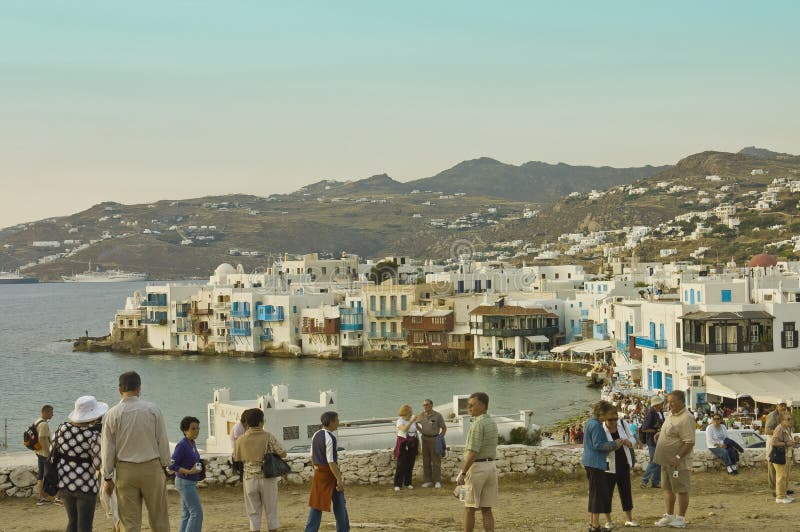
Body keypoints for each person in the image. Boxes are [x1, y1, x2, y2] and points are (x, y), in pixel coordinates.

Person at [101, 371, 171, 532]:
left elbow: (107, 449)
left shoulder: (112, 414)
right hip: (152, 468)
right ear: (139, 388)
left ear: (120, 389)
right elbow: (162, 440)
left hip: (126, 471)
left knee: (129, 522)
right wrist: (166, 465)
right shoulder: (153, 410)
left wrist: (107, 476)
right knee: (159, 518)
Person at [52, 396, 108, 532]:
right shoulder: (93, 435)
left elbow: (53, 451)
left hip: (64, 483)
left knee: (72, 522)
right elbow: (98, 464)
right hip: (86, 486)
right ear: (93, 417)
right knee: (85, 525)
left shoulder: (61, 429)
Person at [234, 408, 287, 532]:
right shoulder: (268, 436)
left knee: (253, 513)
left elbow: (237, 457)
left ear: (246, 423)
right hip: (267, 477)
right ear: (261, 422)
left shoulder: (240, 440)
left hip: (249, 479)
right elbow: (283, 453)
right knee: (271, 511)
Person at [456, 392, 498, 532]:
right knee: (487, 509)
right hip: (491, 467)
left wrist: (463, 472)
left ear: (482, 405)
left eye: (471, 405)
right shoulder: (492, 422)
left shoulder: (477, 425)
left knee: (469, 508)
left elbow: (473, 451)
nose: (469, 408)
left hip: (478, 468)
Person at [653, 390, 695, 529]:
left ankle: (681, 518)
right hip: (666, 461)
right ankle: (669, 515)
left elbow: (689, 442)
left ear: (681, 401)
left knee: (681, 489)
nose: (669, 404)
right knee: (667, 488)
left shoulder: (686, 418)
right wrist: (661, 434)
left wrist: (677, 457)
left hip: (678, 464)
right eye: (668, 401)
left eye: (672, 402)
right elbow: (673, 431)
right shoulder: (672, 414)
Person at [582, 400, 624, 532]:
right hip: (595, 463)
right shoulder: (596, 425)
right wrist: (614, 444)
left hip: (590, 461)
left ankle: (593, 524)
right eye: (607, 413)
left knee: (594, 494)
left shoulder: (590, 423)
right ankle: (595, 526)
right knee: (597, 495)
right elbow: (598, 445)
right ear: (602, 413)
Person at [305, 411, 350, 532]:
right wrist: (339, 479)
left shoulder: (316, 434)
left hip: (319, 474)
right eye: (337, 420)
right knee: (340, 505)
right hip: (330, 474)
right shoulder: (331, 437)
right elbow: (331, 461)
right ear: (331, 422)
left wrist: (316, 468)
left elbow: (311, 456)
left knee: (316, 505)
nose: (338, 422)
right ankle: (344, 530)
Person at [602, 409, 639, 529]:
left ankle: (629, 519)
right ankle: (608, 521)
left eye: (615, 419)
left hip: (623, 463)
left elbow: (633, 439)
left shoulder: (623, 424)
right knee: (607, 494)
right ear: (604, 418)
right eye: (610, 420)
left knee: (626, 491)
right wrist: (613, 445)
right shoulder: (601, 429)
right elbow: (600, 446)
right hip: (608, 466)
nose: (613, 422)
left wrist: (628, 442)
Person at [169, 416, 204, 532]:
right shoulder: (182, 445)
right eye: (193, 429)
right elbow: (172, 465)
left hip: (189, 482)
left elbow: (194, 461)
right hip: (185, 483)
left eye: (198, 428)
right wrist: (189, 472)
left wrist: (199, 466)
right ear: (185, 430)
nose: (197, 431)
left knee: (187, 513)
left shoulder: (191, 443)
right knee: (197, 513)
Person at [417, 398, 447, 489]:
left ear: (431, 405)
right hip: (424, 439)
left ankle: (437, 481)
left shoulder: (438, 415)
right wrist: (421, 431)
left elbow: (444, 428)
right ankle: (428, 481)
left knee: (436, 461)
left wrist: (440, 438)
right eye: (423, 405)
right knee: (426, 461)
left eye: (426, 404)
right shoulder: (421, 415)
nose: (424, 406)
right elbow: (415, 423)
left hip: (435, 440)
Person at [771, 412, 799, 503]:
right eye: (788, 419)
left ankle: (784, 495)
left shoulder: (787, 429)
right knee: (781, 477)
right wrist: (786, 443)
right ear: (782, 420)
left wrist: (795, 442)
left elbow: (790, 443)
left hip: (787, 455)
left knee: (785, 477)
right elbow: (774, 443)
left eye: (791, 419)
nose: (790, 421)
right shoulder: (779, 429)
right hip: (781, 456)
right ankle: (780, 497)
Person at [764, 403, 790, 497]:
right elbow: (767, 430)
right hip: (773, 442)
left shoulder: (786, 414)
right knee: (772, 465)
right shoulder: (771, 415)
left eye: (784, 405)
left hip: (782, 444)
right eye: (781, 405)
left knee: (783, 467)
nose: (783, 407)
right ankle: (773, 489)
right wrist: (779, 432)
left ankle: (782, 488)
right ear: (777, 406)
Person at [640, 395, 665, 489]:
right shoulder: (651, 414)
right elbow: (644, 429)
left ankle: (656, 481)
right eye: (661, 403)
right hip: (652, 441)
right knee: (654, 461)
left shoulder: (660, 412)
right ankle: (644, 480)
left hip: (659, 441)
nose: (663, 404)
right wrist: (656, 431)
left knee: (658, 462)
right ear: (657, 405)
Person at [33, 404, 56, 506]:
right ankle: (42, 497)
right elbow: (42, 439)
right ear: (45, 412)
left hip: (38, 452)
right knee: (45, 474)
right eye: (51, 412)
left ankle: (41, 496)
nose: (52, 414)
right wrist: (48, 454)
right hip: (43, 454)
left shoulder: (37, 421)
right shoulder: (43, 424)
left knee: (41, 474)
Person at [393, 404, 419, 491]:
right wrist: (411, 422)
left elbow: (416, 432)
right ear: (405, 413)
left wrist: (419, 447)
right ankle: (397, 484)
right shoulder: (400, 421)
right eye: (409, 413)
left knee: (410, 464)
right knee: (401, 464)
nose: (411, 415)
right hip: (403, 443)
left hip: (412, 443)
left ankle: (408, 482)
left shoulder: (413, 420)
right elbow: (404, 430)